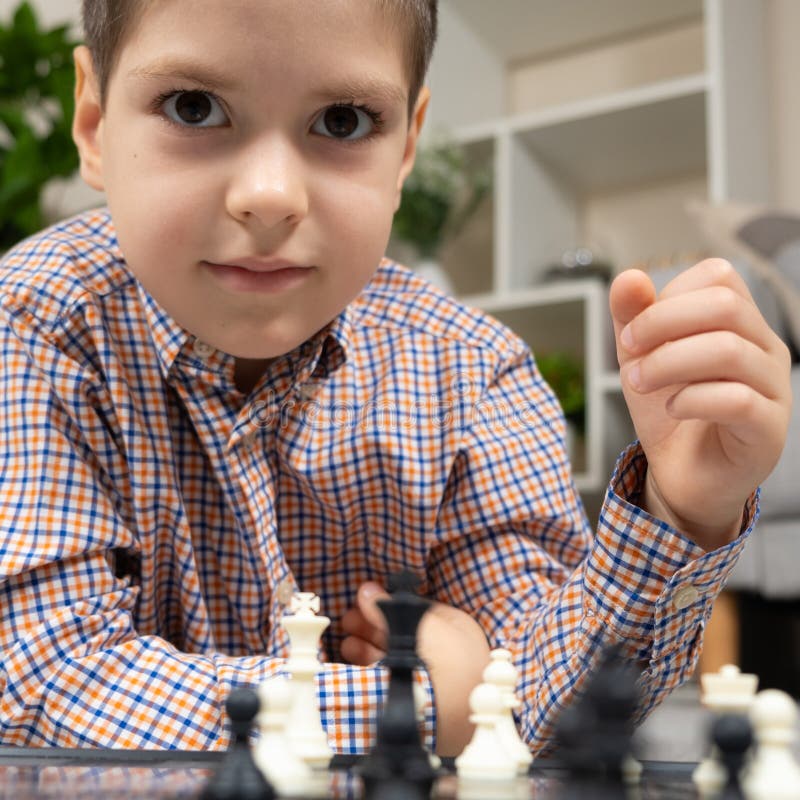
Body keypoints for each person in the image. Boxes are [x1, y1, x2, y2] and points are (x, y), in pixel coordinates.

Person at [0, 0, 790, 758]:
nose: (269, 196)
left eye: (342, 120)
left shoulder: (474, 372)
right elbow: (47, 682)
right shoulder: (30, 322)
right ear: (96, 123)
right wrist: (419, 707)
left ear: (406, 146)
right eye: (194, 107)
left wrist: (682, 507)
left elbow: (558, 707)